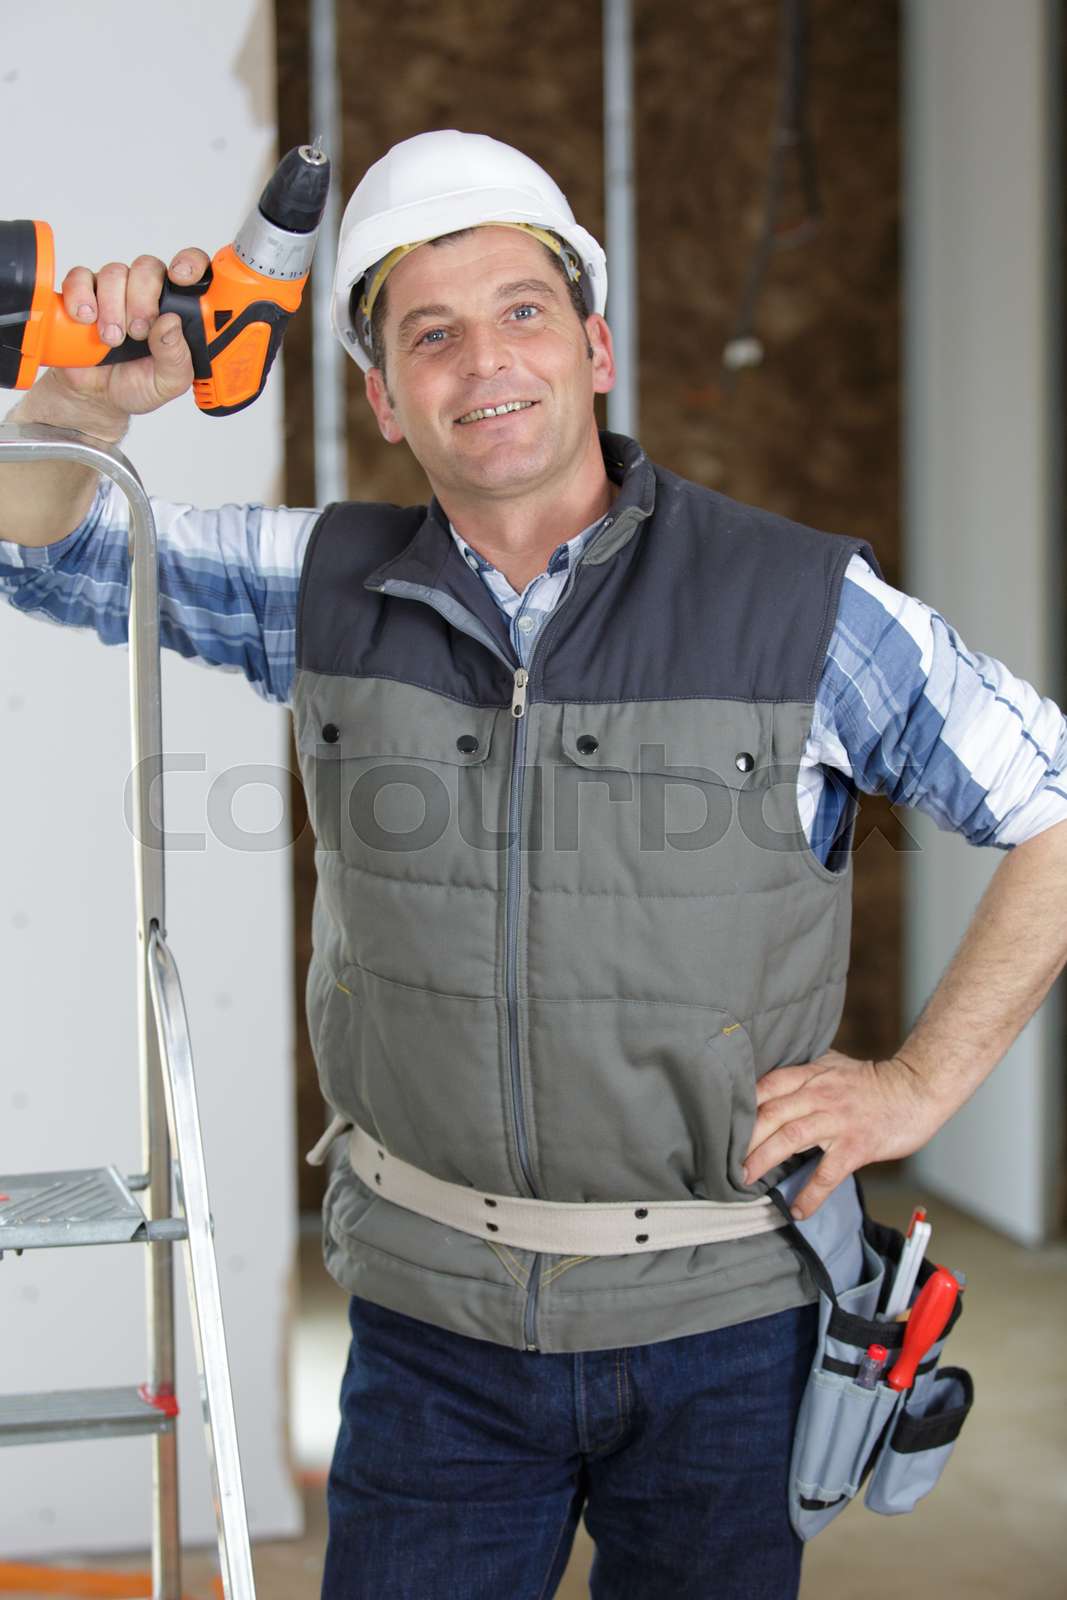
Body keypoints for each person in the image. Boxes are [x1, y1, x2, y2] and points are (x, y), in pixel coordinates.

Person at [1, 130, 1065, 1600]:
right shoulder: (319, 587)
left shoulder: (800, 606)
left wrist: (918, 1086)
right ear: (382, 394)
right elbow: (42, 553)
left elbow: (1056, 808)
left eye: (521, 312)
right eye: (428, 334)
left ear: (595, 344)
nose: (483, 362)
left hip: (726, 1333)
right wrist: (78, 404)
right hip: (435, 1338)